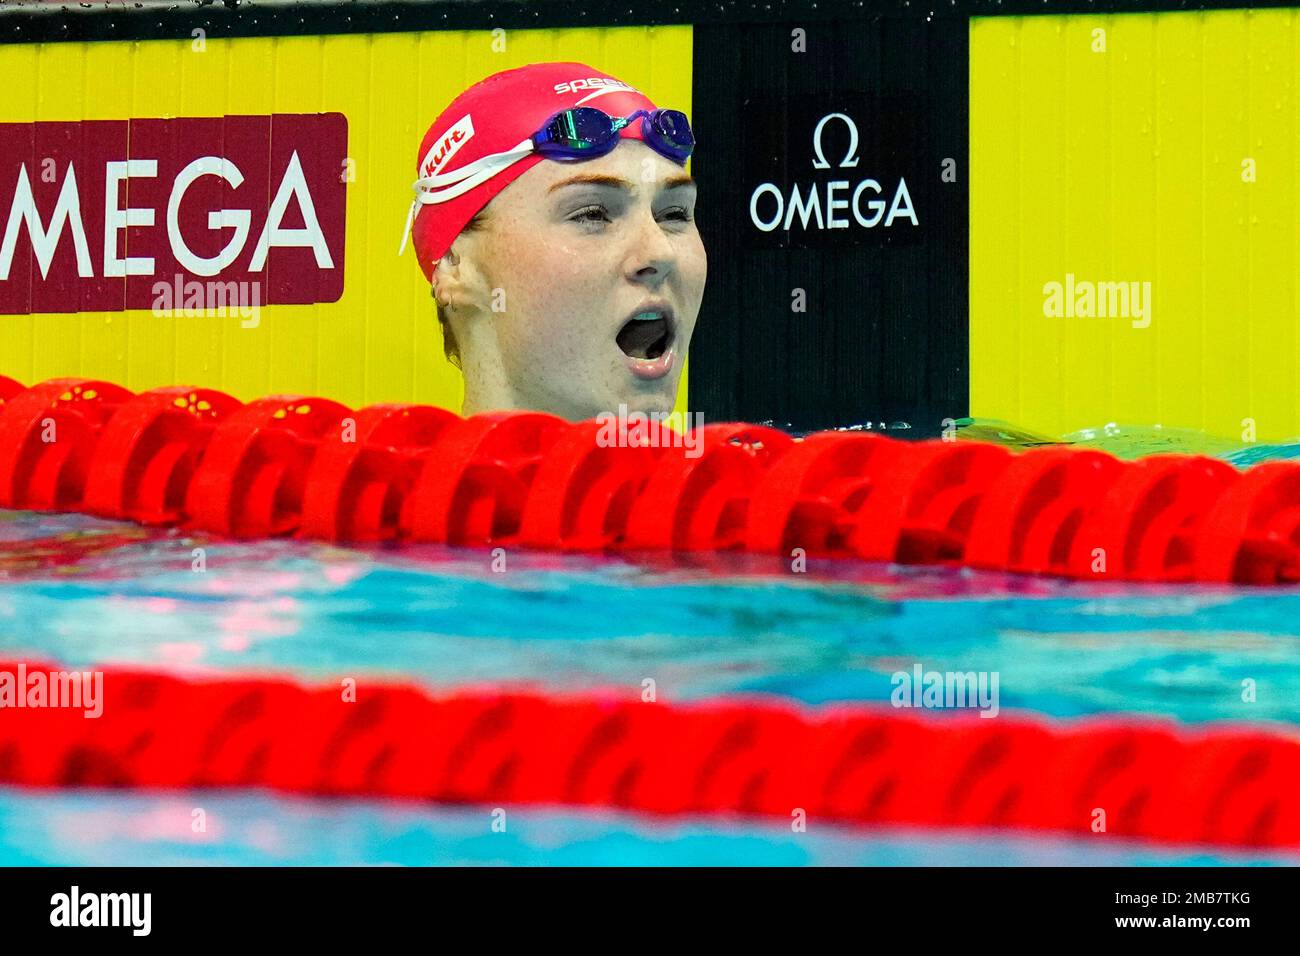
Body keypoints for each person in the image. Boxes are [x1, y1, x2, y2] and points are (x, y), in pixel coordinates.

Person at [399, 62, 706, 422]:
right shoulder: (362, 479)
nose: (660, 252)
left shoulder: (744, 477)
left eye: (674, 215)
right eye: (592, 214)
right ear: (455, 264)